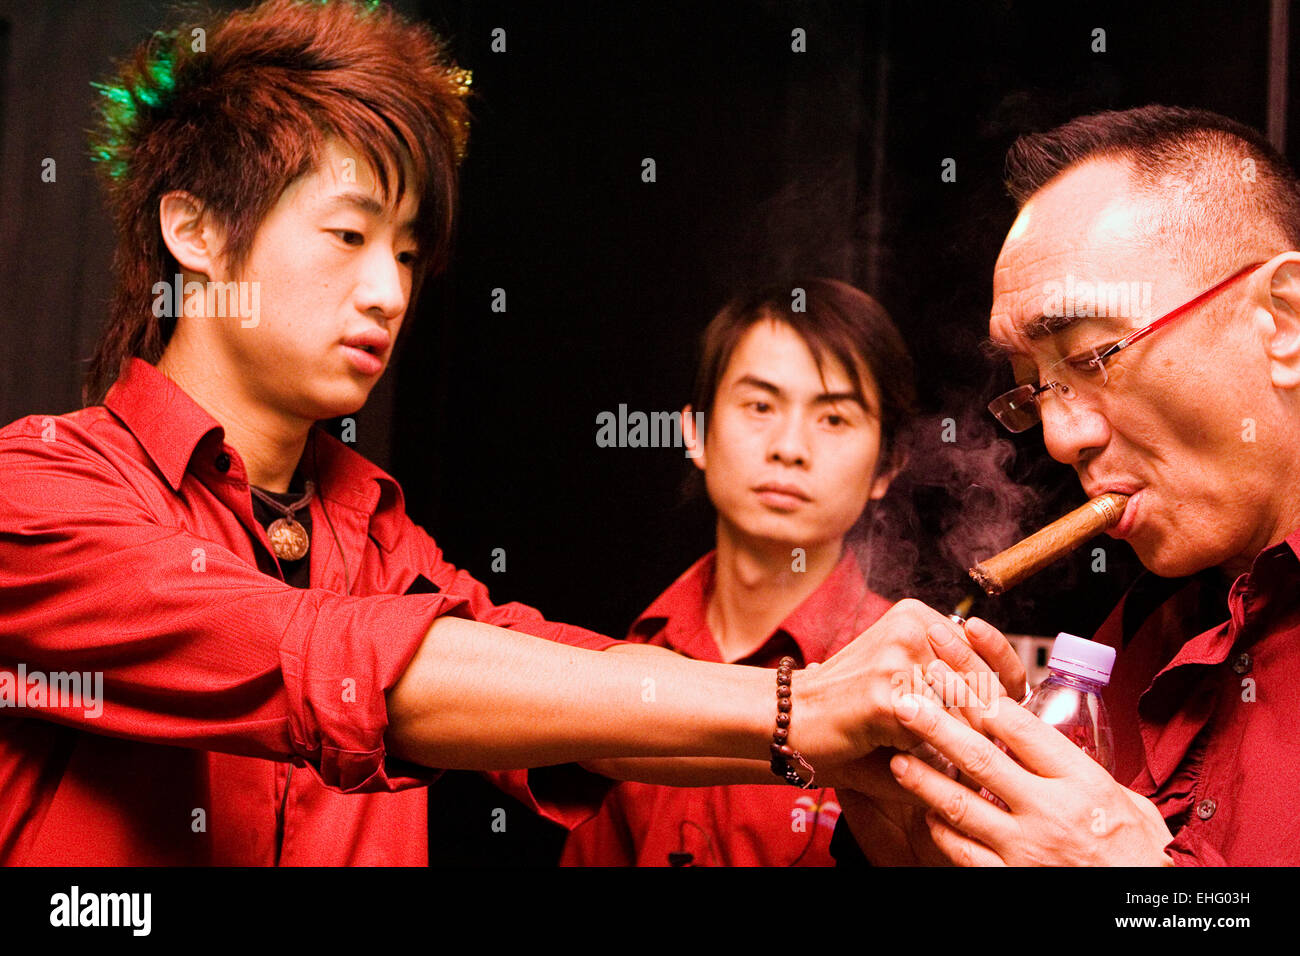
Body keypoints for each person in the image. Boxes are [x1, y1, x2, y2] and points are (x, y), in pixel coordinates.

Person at [0, 0, 982, 865]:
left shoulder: (372, 527)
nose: (388, 292)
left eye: (409, 250)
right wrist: (796, 709)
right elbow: (325, 654)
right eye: (348, 235)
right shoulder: (38, 488)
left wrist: (848, 723)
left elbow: (569, 700)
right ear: (197, 230)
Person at [845, 105, 1300, 866]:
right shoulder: (1135, 645)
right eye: (1032, 389)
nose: (1063, 439)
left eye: (1090, 358)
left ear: (1281, 321)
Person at [561, 278, 915, 866]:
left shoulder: (902, 676)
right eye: (760, 406)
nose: (789, 447)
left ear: (887, 466)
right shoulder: (634, 656)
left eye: (832, 419)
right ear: (694, 431)